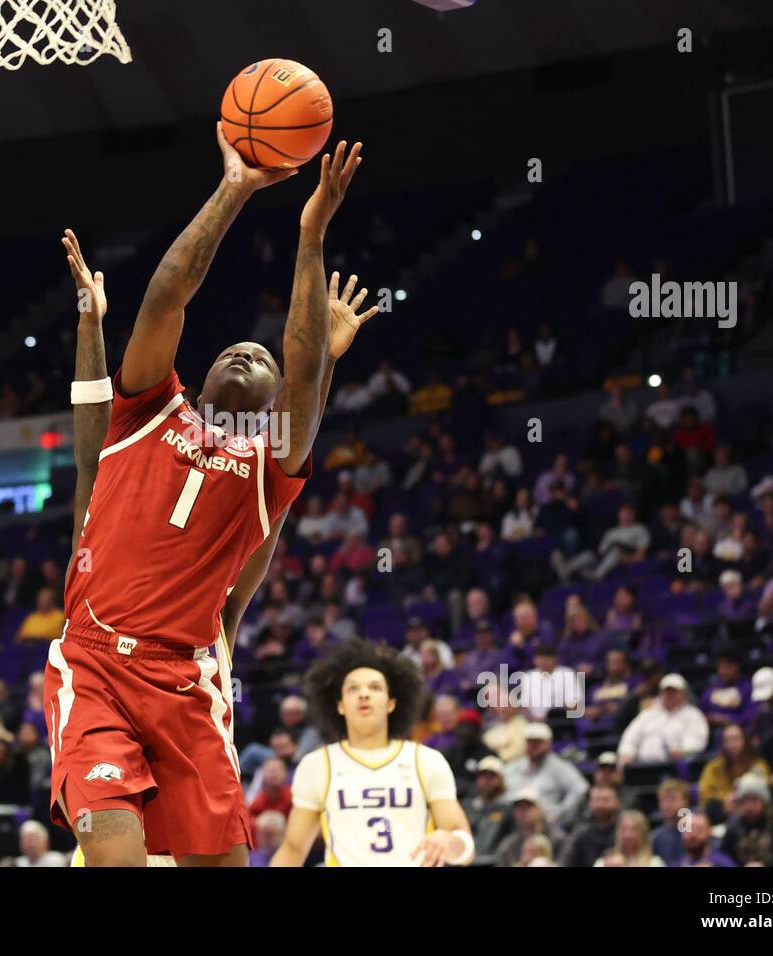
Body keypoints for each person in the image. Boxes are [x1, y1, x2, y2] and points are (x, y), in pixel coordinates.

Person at [47, 136, 365, 868]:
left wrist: (311, 233)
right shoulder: (148, 411)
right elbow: (166, 297)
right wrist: (236, 188)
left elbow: (304, 372)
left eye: (262, 358)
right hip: (96, 664)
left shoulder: (265, 469)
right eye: (231, 349)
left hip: (186, 679)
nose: (243, 352)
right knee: (115, 858)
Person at [272, 639, 474, 867]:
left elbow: (465, 846)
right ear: (339, 705)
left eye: (375, 687)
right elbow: (293, 849)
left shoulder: (425, 760)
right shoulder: (318, 765)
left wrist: (448, 840)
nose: (364, 694)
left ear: (391, 703)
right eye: (353, 689)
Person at [617, 673, 710, 765]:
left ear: (683, 693)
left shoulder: (693, 714)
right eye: (666, 691)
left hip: (676, 766)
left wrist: (684, 751)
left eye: (674, 691)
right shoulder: (648, 714)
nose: (670, 695)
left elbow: (697, 740)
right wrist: (627, 753)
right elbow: (630, 736)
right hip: (644, 767)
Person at [595, 810, 665, 867]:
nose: (628, 835)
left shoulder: (654, 863)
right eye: (624, 829)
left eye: (634, 829)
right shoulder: (605, 862)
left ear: (643, 833)